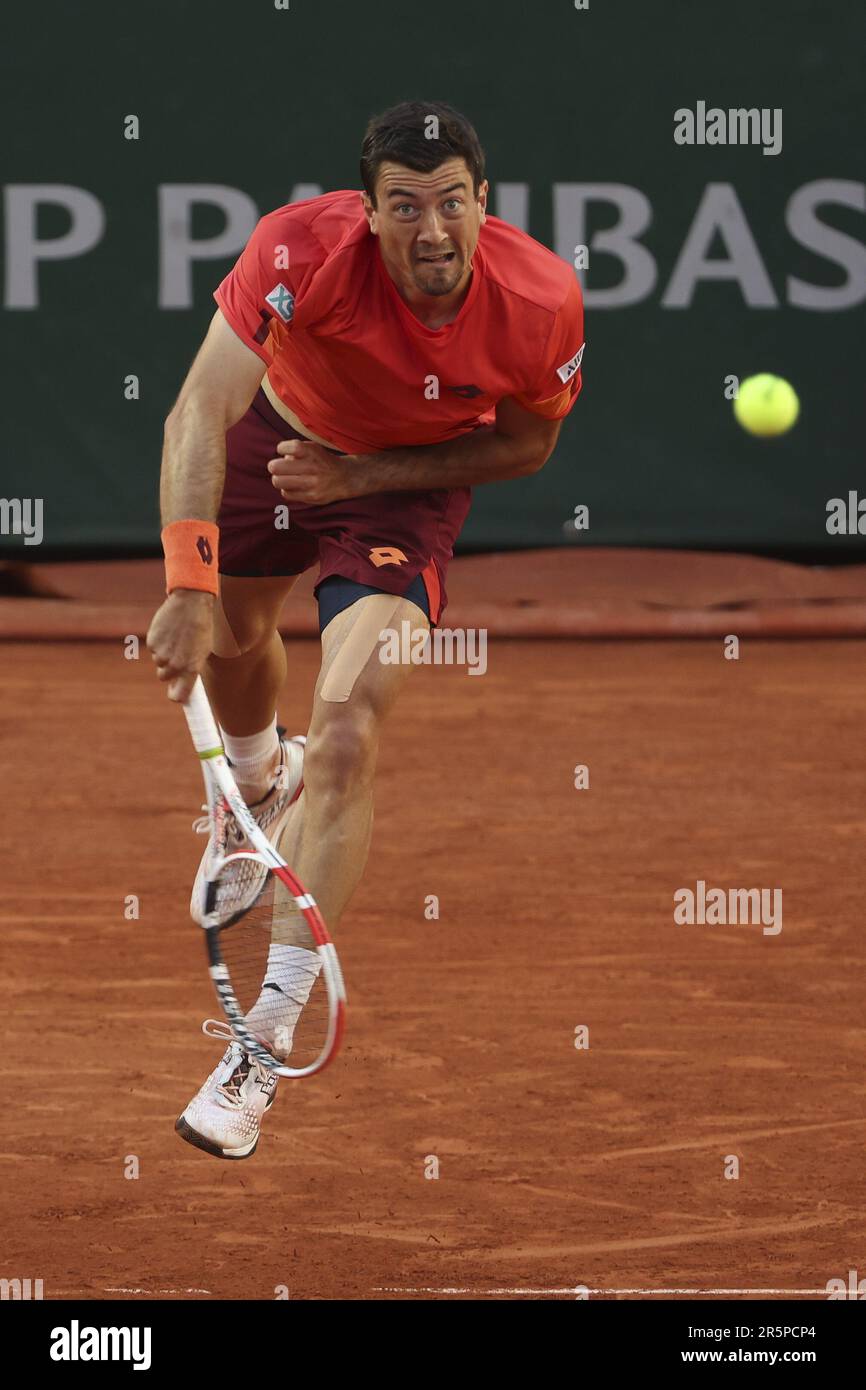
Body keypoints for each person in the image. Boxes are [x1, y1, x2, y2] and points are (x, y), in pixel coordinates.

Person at [146, 99, 585, 1159]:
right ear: (368, 209)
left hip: (402, 495)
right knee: (241, 641)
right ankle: (254, 778)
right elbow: (198, 410)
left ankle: (260, 1046)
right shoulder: (297, 248)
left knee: (345, 730)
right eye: (403, 207)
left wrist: (367, 477)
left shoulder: (539, 299)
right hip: (276, 439)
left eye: (449, 205)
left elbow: (524, 449)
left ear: (485, 202)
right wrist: (189, 582)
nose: (429, 231)